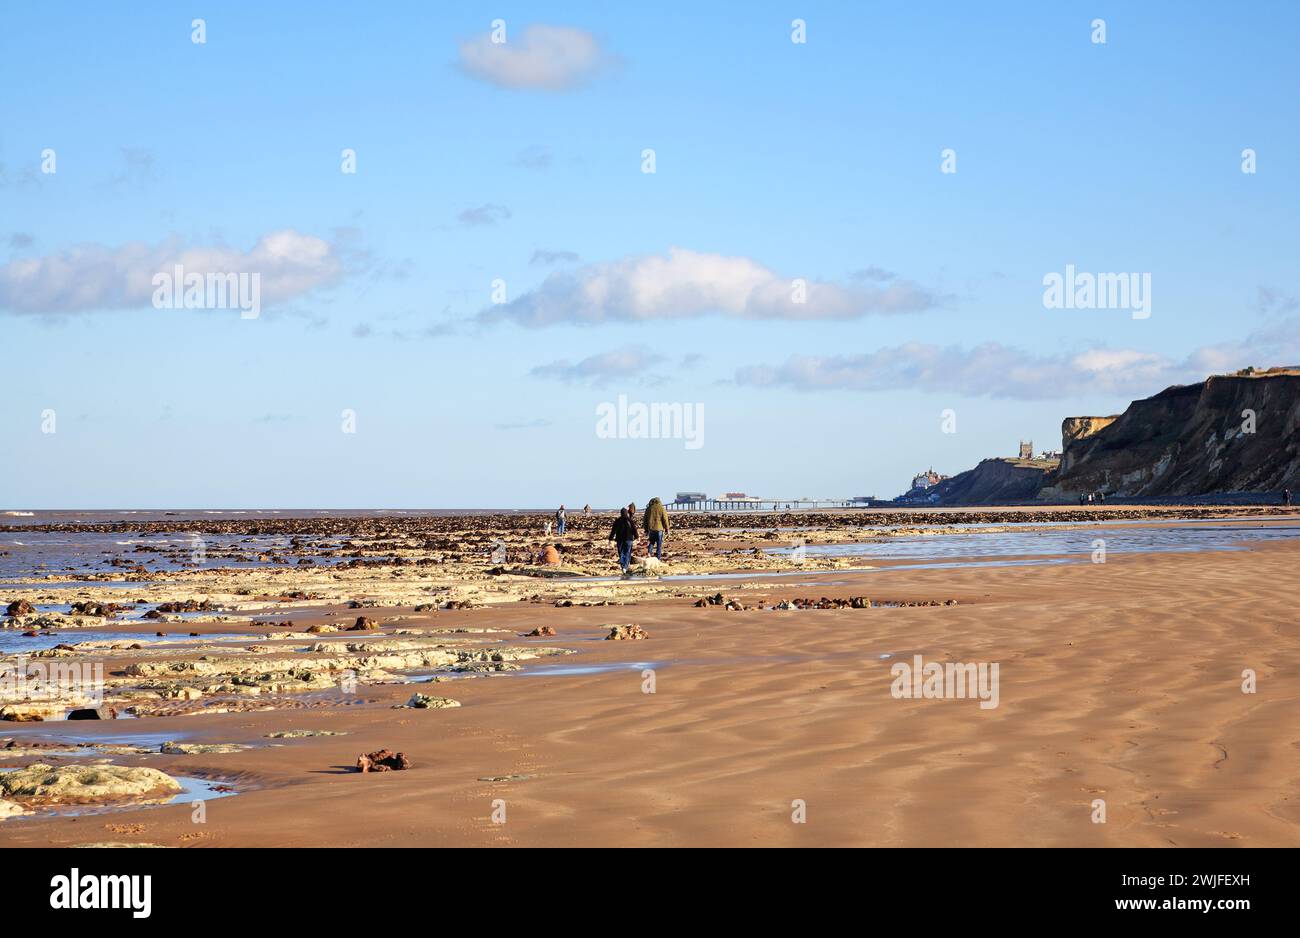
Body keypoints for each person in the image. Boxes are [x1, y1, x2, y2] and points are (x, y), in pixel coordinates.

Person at [609, 508, 637, 573]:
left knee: (621, 552)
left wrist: (610, 539)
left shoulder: (617, 520)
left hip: (620, 539)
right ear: (626, 513)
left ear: (621, 513)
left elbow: (613, 531)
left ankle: (623, 566)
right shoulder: (630, 520)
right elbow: (634, 529)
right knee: (627, 553)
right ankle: (625, 566)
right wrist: (637, 537)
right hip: (629, 539)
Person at [643, 496, 669, 560]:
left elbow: (645, 520)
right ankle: (658, 558)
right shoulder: (662, 508)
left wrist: (646, 529)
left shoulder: (649, 508)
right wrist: (667, 529)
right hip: (659, 529)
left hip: (651, 529)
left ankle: (649, 553)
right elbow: (665, 519)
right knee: (659, 544)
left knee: (651, 542)